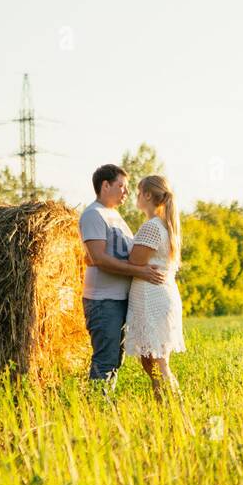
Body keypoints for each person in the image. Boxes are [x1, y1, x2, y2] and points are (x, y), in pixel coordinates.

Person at [79, 163, 164, 385]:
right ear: (105, 185)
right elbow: (99, 258)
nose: (126, 192)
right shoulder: (93, 215)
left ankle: (103, 409)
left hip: (118, 299)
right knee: (105, 360)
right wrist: (140, 272)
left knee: (116, 360)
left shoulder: (114, 215)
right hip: (103, 300)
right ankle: (96, 409)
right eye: (121, 186)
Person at [123, 175, 185, 399]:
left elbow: (134, 263)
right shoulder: (161, 224)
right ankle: (163, 408)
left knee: (157, 360)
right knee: (150, 361)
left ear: (148, 195)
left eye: (139, 192)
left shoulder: (153, 226)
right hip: (156, 295)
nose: (136, 197)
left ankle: (175, 409)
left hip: (153, 298)